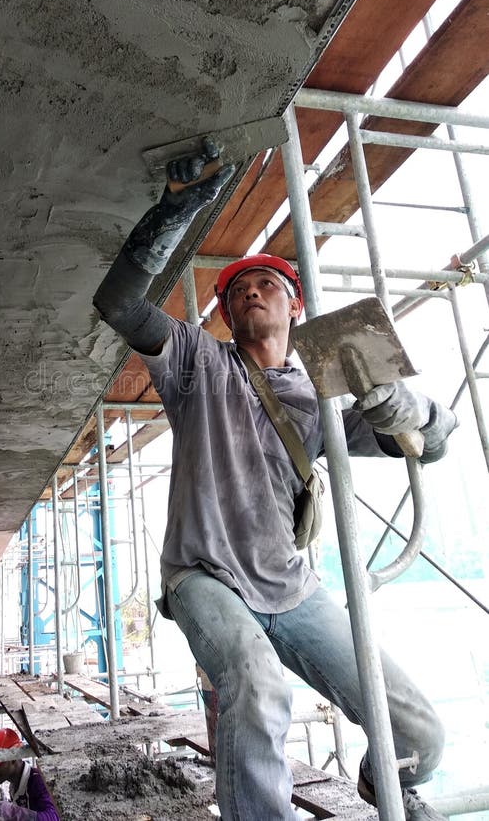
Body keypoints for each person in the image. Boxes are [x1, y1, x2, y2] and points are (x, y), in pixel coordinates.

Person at [93, 141, 457, 821]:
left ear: (295, 306)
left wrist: (415, 410)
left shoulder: (324, 394)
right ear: (226, 316)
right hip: (204, 576)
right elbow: (117, 301)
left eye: (265, 284)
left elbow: (424, 447)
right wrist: (173, 212)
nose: (249, 292)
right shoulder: (198, 362)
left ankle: (384, 788)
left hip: (290, 588)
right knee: (257, 685)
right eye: (235, 291)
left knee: (417, 734)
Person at [0, 728, 59, 821]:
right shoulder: (14, 785)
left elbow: (54, 817)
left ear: (13, 759)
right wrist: (6, 804)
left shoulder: (38, 781)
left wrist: (12, 812)